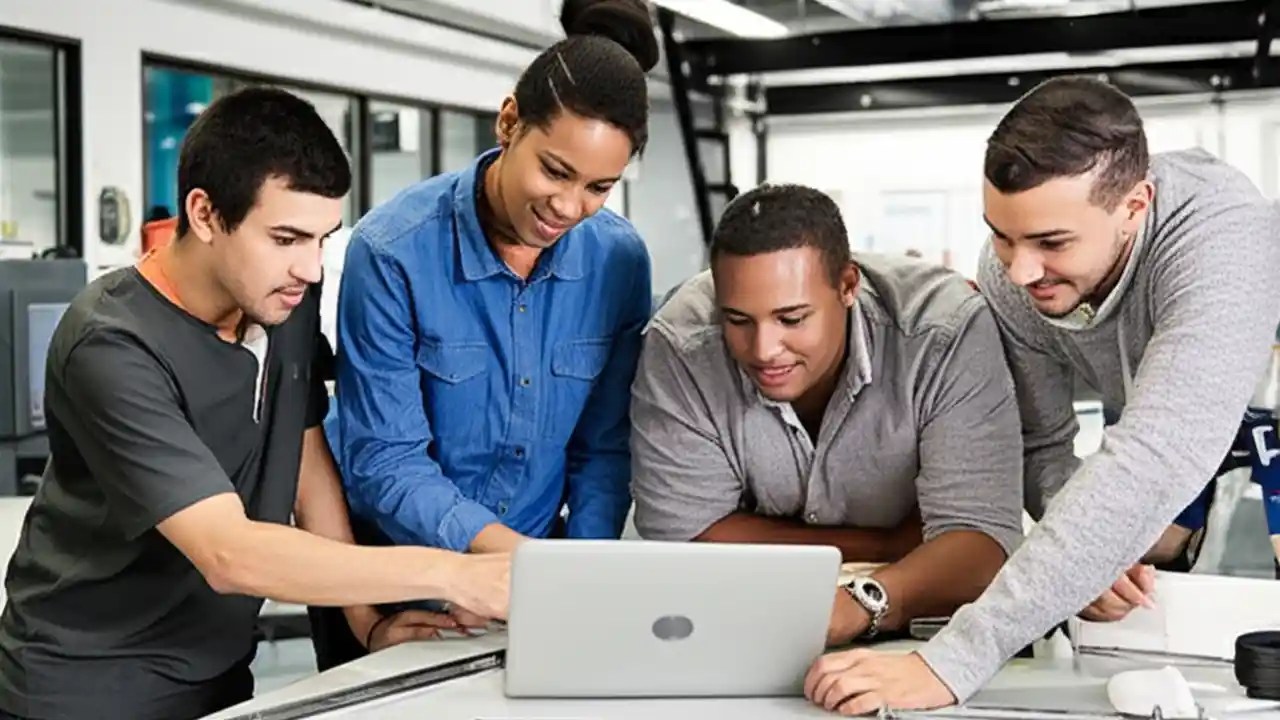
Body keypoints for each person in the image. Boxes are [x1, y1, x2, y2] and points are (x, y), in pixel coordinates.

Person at [0, 87, 509, 720]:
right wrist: (453, 573)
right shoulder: (111, 343)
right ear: (206, 214)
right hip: (83, 690)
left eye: (322, 239)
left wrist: (364, 623)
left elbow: (304, 458)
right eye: (287, 237)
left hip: (219, 676)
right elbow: (228, 552)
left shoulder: (280, 305)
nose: (312, 268)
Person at [802, 76, 1280, 715]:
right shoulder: (1014, 269)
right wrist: (1089, 555)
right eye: (1002, 235)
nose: (1019, 270)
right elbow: (1039, 440)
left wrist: (953, 660)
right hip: (1163, 410)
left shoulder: (1222, 243)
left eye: (1052, 244)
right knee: (1135, 562)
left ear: (1135, 206)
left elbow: (1151, 460)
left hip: (1241, 394)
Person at [329, 0, 654, 566]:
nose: (569, 206)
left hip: (535, 570)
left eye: (599, 187)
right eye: (555, 171)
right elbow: (386, 461)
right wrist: (519, 561)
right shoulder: (390, 252)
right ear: (508, 123)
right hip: (394, 569)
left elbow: (604, 448)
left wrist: (583, 568)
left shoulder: (619, 260)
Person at [630, 183, 1024, 648]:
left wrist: (862, 602)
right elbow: (683, 538)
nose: (763, 350)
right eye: (737, 320)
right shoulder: (680, 344)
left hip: (922, 628)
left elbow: (980, 548)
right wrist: (890, 546)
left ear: (847, 285)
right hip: (731, 625)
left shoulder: (945, 331)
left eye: (792, 319)